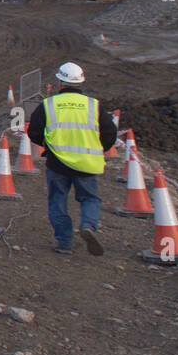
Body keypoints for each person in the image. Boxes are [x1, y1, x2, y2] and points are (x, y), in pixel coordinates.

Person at [26, 62, 119, 256]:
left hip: (57, 163)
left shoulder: (48, 105)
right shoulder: (94, 106)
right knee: (90, 198)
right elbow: (110, 133)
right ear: (81, 83)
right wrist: (100, 149)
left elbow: (34, 132)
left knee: (57, 200)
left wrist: (49, 145)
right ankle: (88, 226)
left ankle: (64, 242)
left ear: (60, 82)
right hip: (87, 163)